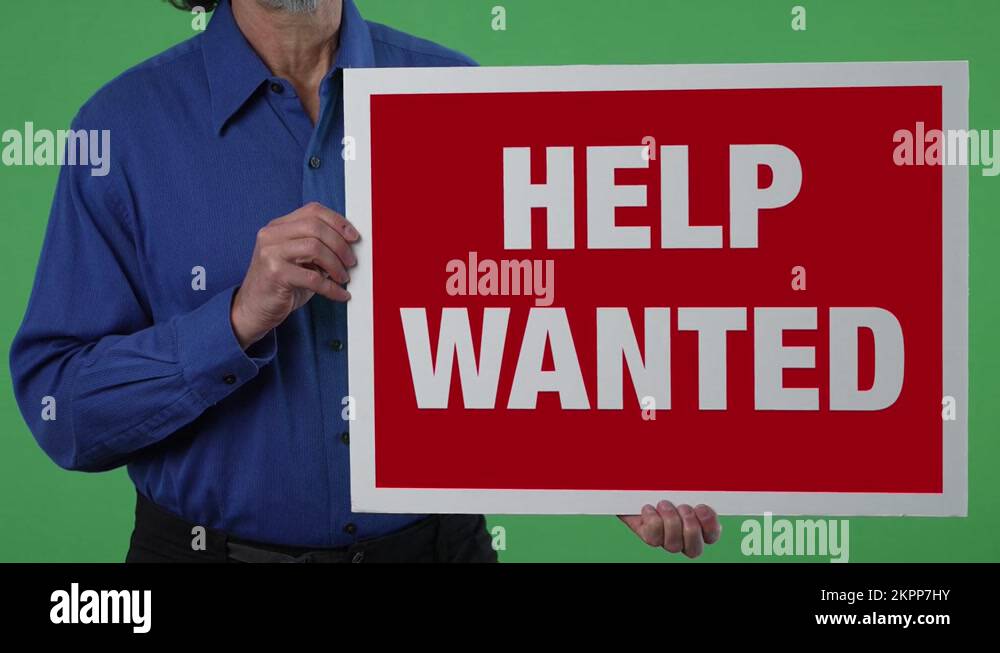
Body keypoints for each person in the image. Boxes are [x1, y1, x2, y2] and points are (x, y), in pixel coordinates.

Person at [10, 0, 722, 562]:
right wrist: (232, 321)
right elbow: (63, 412)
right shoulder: (121, 130)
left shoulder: (461, 96)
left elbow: (536, 336)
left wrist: (611, 469)